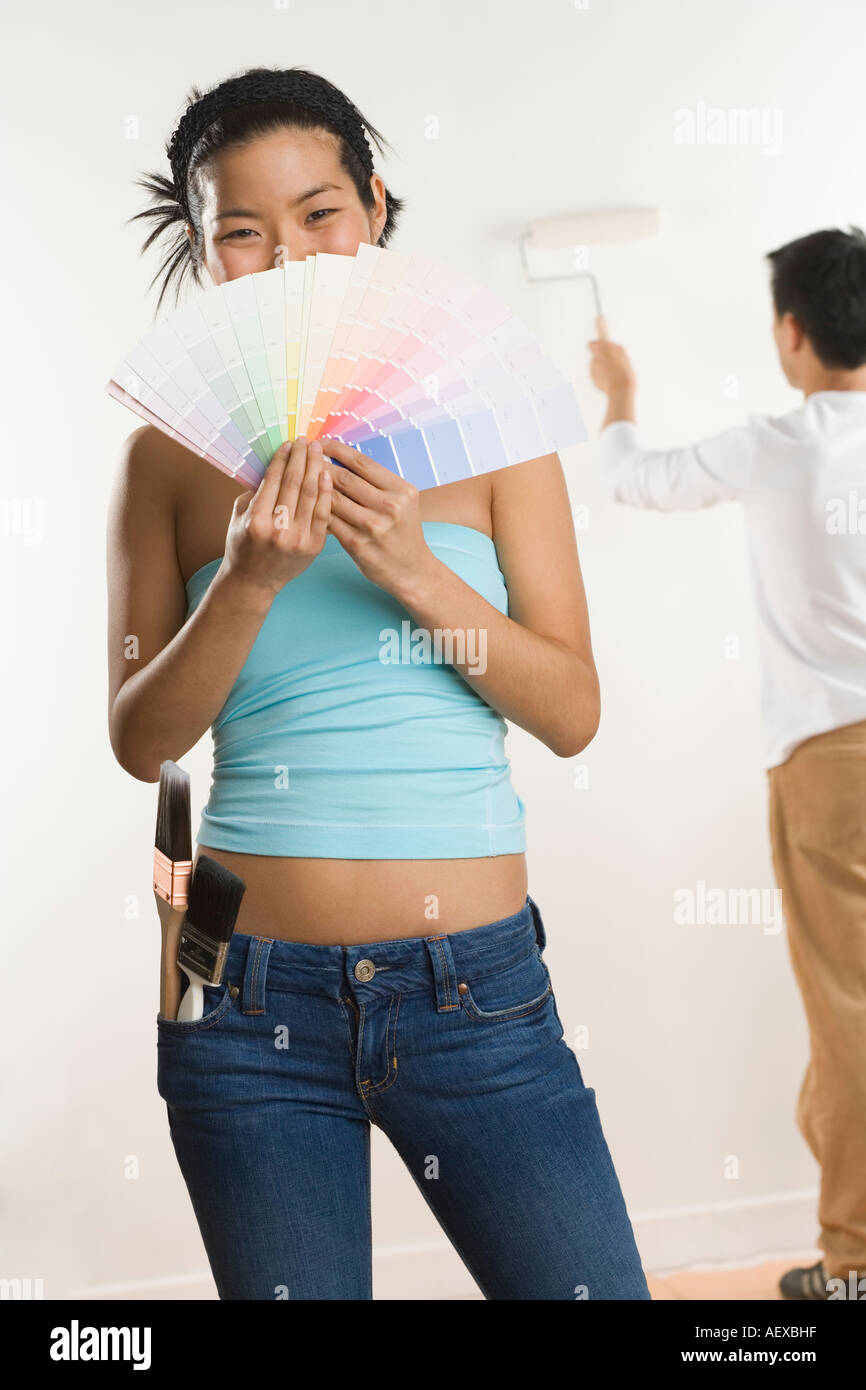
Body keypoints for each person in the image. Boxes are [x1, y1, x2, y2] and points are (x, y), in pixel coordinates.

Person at [106, 64, 651, 1301]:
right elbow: (144, 742)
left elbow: (569, 713)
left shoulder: (495, 427)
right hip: (234, 995)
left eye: (318, 212)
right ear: (202, 253)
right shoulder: (165, 463)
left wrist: (415, 571)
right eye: (238, 230)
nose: (287, 256)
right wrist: (245, 584)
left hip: (474, 988)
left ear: (376, 207)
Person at [588, 226, 866, 1300]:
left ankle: (851, 1265)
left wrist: (616, 389)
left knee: (846, 1014)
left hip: (829, 768)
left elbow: (631, 479)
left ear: (789, 334)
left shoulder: (773, 446)